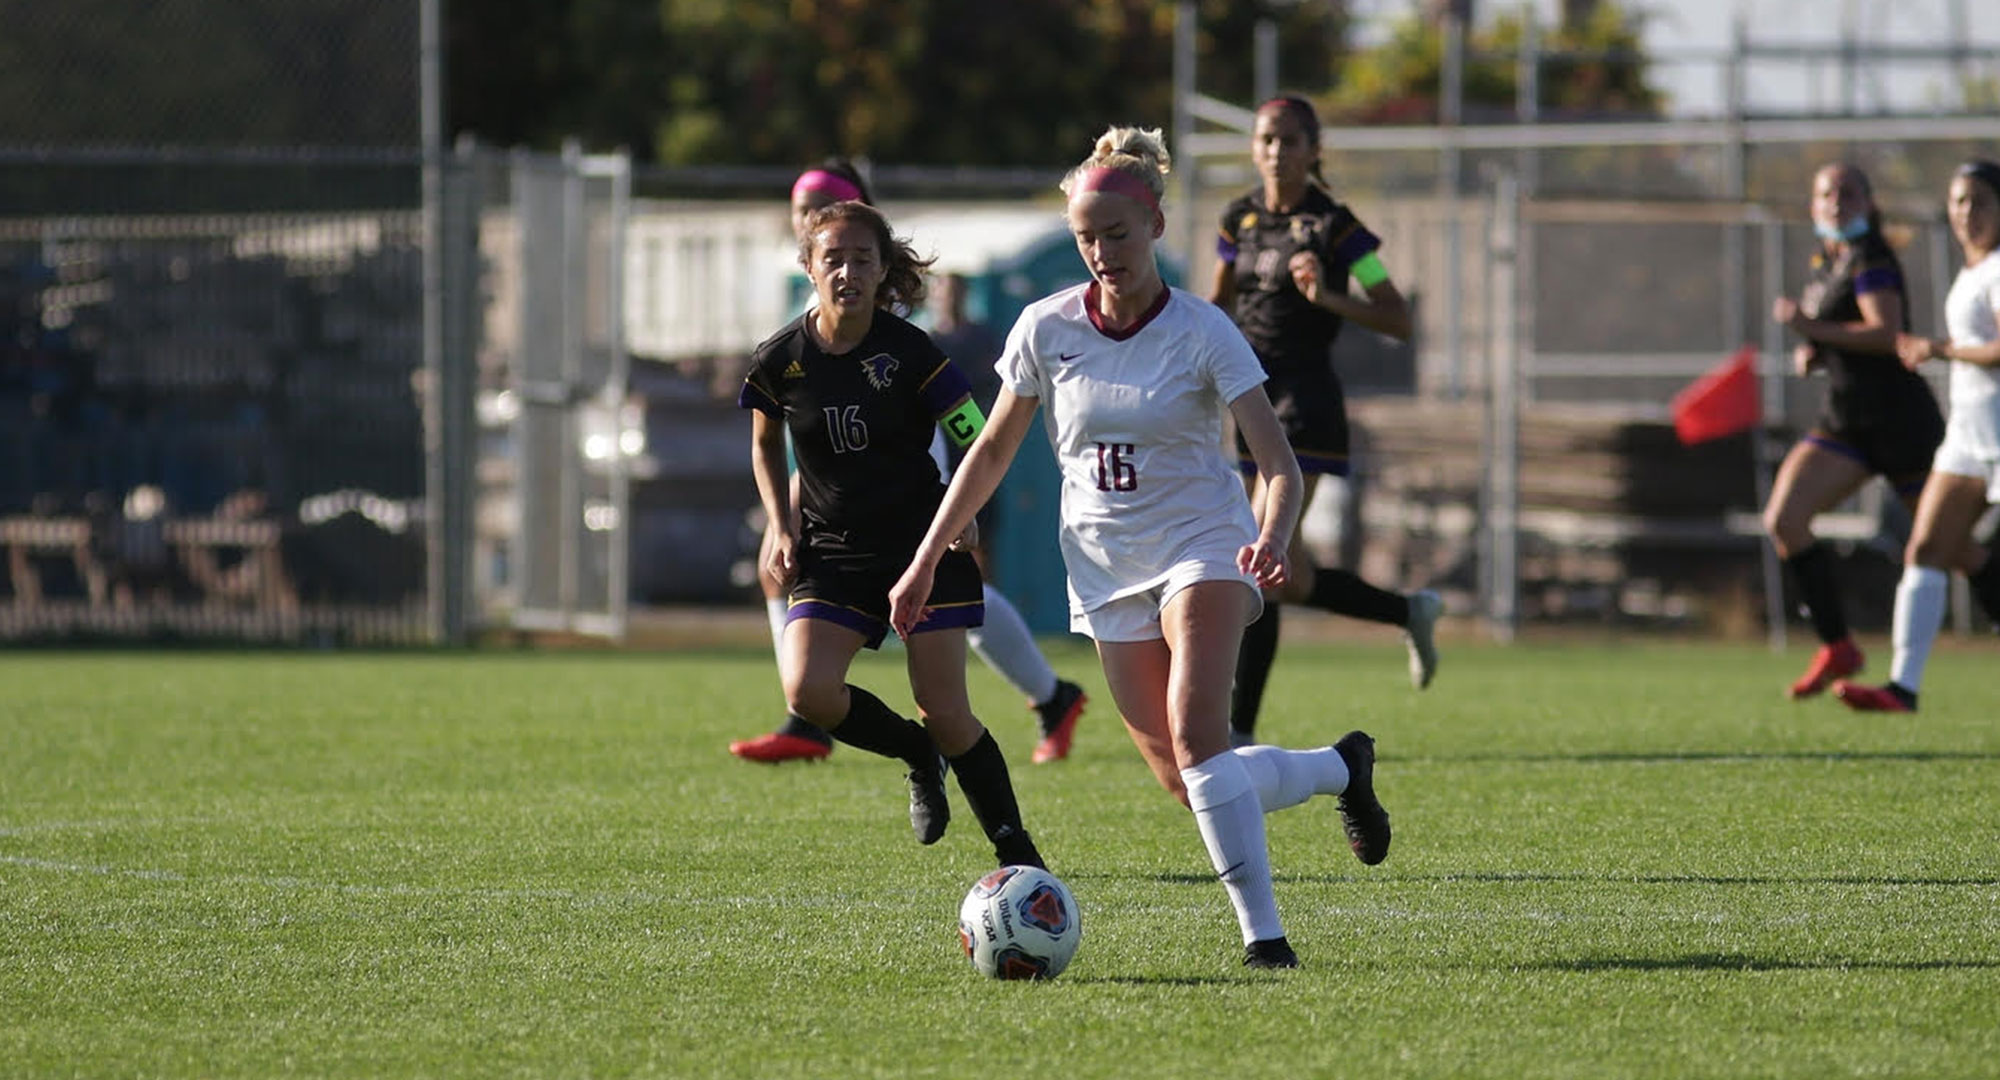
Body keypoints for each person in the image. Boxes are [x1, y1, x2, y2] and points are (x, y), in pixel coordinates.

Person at [889, 126, 1390, 970]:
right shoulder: (1045, 328)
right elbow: (992, 452)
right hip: (1103, 565)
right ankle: (1341, 768)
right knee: (1188, 774)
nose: (1100, 252)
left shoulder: (1203, 329)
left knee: (1199, 738)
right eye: (1086, 237)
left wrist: (1271, 534)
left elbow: (1276, 462)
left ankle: (1265, 940)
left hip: (1205, 546)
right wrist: (929, 553)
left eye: (1116, 234)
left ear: (1155, 224)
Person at [730, 162, 1090, 765]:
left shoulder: (889, 329)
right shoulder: (802, 324)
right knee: (784, 560)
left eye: (822, 202)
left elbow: (956, 422)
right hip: (843, 468)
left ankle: (1049, 694)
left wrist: (960, 493)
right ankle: (809, 710)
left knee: (947, 583)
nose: (805, 213)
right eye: (801, 205)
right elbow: (771, 428)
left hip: (907, 450)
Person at [740, 197, 1044, 869]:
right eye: (833, 258)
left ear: (883, 272)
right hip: (833, 551)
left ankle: (1015, 851)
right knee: (809, 693)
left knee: (946, 710)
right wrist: (779, 522)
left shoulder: (912, 353)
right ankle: (915, 752)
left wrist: (963, 520)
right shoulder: (780, 358)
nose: (847, 271)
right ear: (809, 266)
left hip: (918, 548)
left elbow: (975, 436)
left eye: (862, 259)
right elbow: (764, 444)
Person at [1207, 95, 1441, 747]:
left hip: (1305, 405)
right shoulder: (1238, 219)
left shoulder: (1341, 231)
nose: (1275, 151)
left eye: (1288, 140)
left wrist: (1330, 297)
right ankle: (1407, 611)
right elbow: (1219, 303)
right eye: (1265, 139)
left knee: (1256, 550)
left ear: (1314, 150)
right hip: (1249, 401)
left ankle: (1239, 728)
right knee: (1290, 576)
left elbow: (1398, 316)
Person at [1764, 163, 1945, 700]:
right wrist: (1815, 352)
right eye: (1826, 193)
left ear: (1868, 203)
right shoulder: (1828, 262)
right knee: (1785, 519)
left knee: (1953, 550)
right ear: (1812, 206)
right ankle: (1837, 645)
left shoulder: (1871, 258)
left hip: (1899, 426)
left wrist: (1812, 328)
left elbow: (1886, 332)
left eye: (1848, 192)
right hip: (1847, 424)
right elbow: (1845, 336)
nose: (1836, 201)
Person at [1836, 161, 2000, 712]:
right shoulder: (1973, 271)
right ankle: (1902, 687)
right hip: (1968, 438)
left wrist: (1938, 348)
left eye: (1979, 201)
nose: (1967, 213)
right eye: (1958, 202)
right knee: (1927, 547)